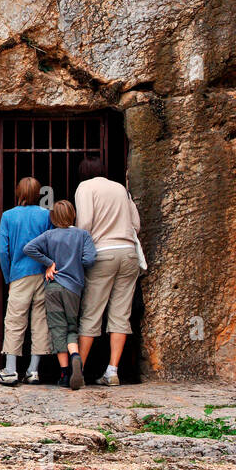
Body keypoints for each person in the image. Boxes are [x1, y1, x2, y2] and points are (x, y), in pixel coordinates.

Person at [75, 157, 143, 386]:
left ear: (83, 172)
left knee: (91, 313)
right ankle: (112, 371)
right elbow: (136, 224)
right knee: (120, 314)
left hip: (103, 253)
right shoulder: (120, 189)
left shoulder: (85, 187)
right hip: (128, 253)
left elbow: (84, 225)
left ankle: (79, 371)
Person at [23, 200, 97, 390]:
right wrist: (75, 264)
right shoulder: (83, 235)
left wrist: (49, 263)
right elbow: (90, 259)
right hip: (74, 288)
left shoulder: (49, 235)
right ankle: (75, 357)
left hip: (53, 286)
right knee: (72, 327)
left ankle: (64, 374)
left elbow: (29, 248)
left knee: (57, 328)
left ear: (53, 217)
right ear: (73, 215)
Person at [0, 176, 52, 385]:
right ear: (38, 193)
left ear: (19, 193)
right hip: (42, 273)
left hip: (19, 273)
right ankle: (33, 371)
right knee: (41, 320)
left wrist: (8, 275)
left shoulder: (8, 216)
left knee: (15, 320)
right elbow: (50, 243)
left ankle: (11, 369)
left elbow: (3, 250)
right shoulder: (46, 215)